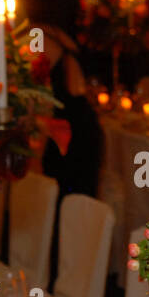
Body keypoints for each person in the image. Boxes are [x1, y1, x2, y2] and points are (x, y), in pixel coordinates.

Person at [37, 24, 100, 199]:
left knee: (63, 193)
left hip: (68, 128)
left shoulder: (37, 36)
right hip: (85, 121)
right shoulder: (59, 34)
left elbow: (34, 90)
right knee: (78, 195)